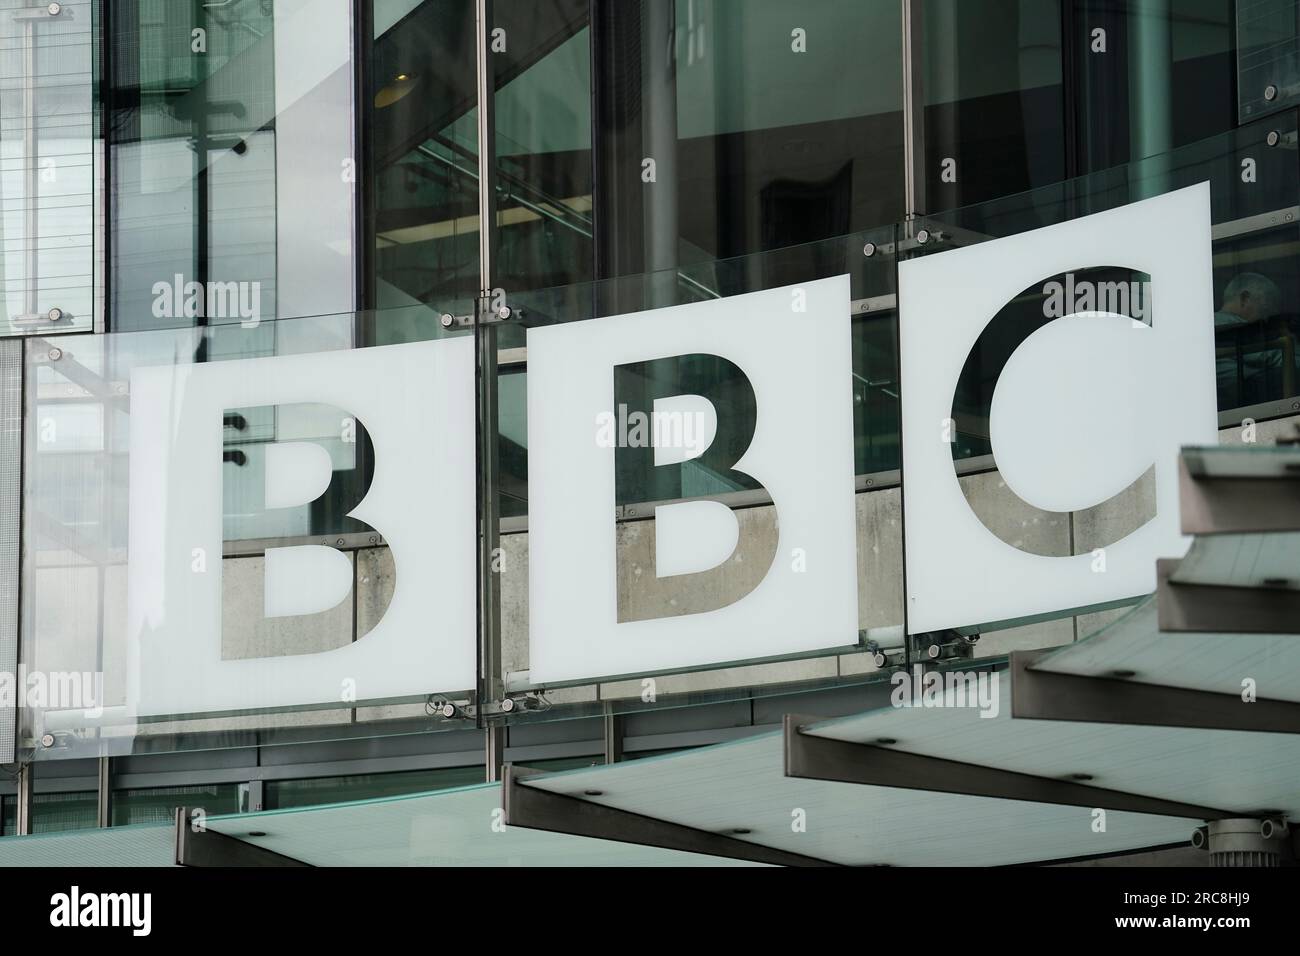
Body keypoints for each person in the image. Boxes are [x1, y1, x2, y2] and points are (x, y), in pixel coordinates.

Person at [1214, 272, 1288, 404]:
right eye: (1267, 311)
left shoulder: (1208, 327)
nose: (1266, 322)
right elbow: (1271, 355)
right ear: (1245, 299)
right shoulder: (1226, 324)